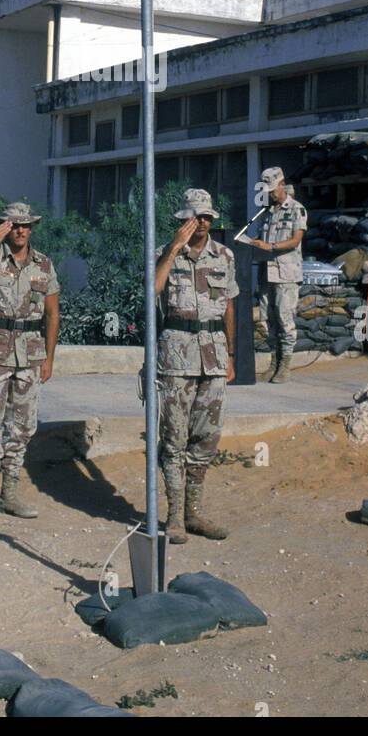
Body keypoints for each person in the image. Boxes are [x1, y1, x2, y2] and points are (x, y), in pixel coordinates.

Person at [154, 188, 238, 543]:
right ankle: (174, 516)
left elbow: (230, 306)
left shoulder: (224, 256)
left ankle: (194, 512)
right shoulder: (163, 254)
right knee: (174, 437)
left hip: (215, 355)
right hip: (177, 355)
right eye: (195, 217)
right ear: (183, 220)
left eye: (206, 217)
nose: (201, 223)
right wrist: (174, 249)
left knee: (207, 437)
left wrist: (231, 356)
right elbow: (150, 292)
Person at [0, 202, 60, 518]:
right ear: (3, 227)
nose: (21, 230)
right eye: (14, 225)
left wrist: (48, 358)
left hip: (30, 355)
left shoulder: (43, 265)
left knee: (21, 428)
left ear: (32, 228)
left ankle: (10, 493)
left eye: (26, 225)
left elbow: (52, 314)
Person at [251, 167, 307, 384]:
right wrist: (253, 242)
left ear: (282, 184)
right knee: (268, 320)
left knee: (285, 319)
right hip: (267, 272)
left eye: (273, 189)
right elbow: (263, 237)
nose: (271, 194)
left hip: (286, 274)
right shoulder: (267, 212)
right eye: (268, 191)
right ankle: (274, 362)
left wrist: (270, 245)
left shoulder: (296, 210)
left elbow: (295, 241)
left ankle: (285, 365)